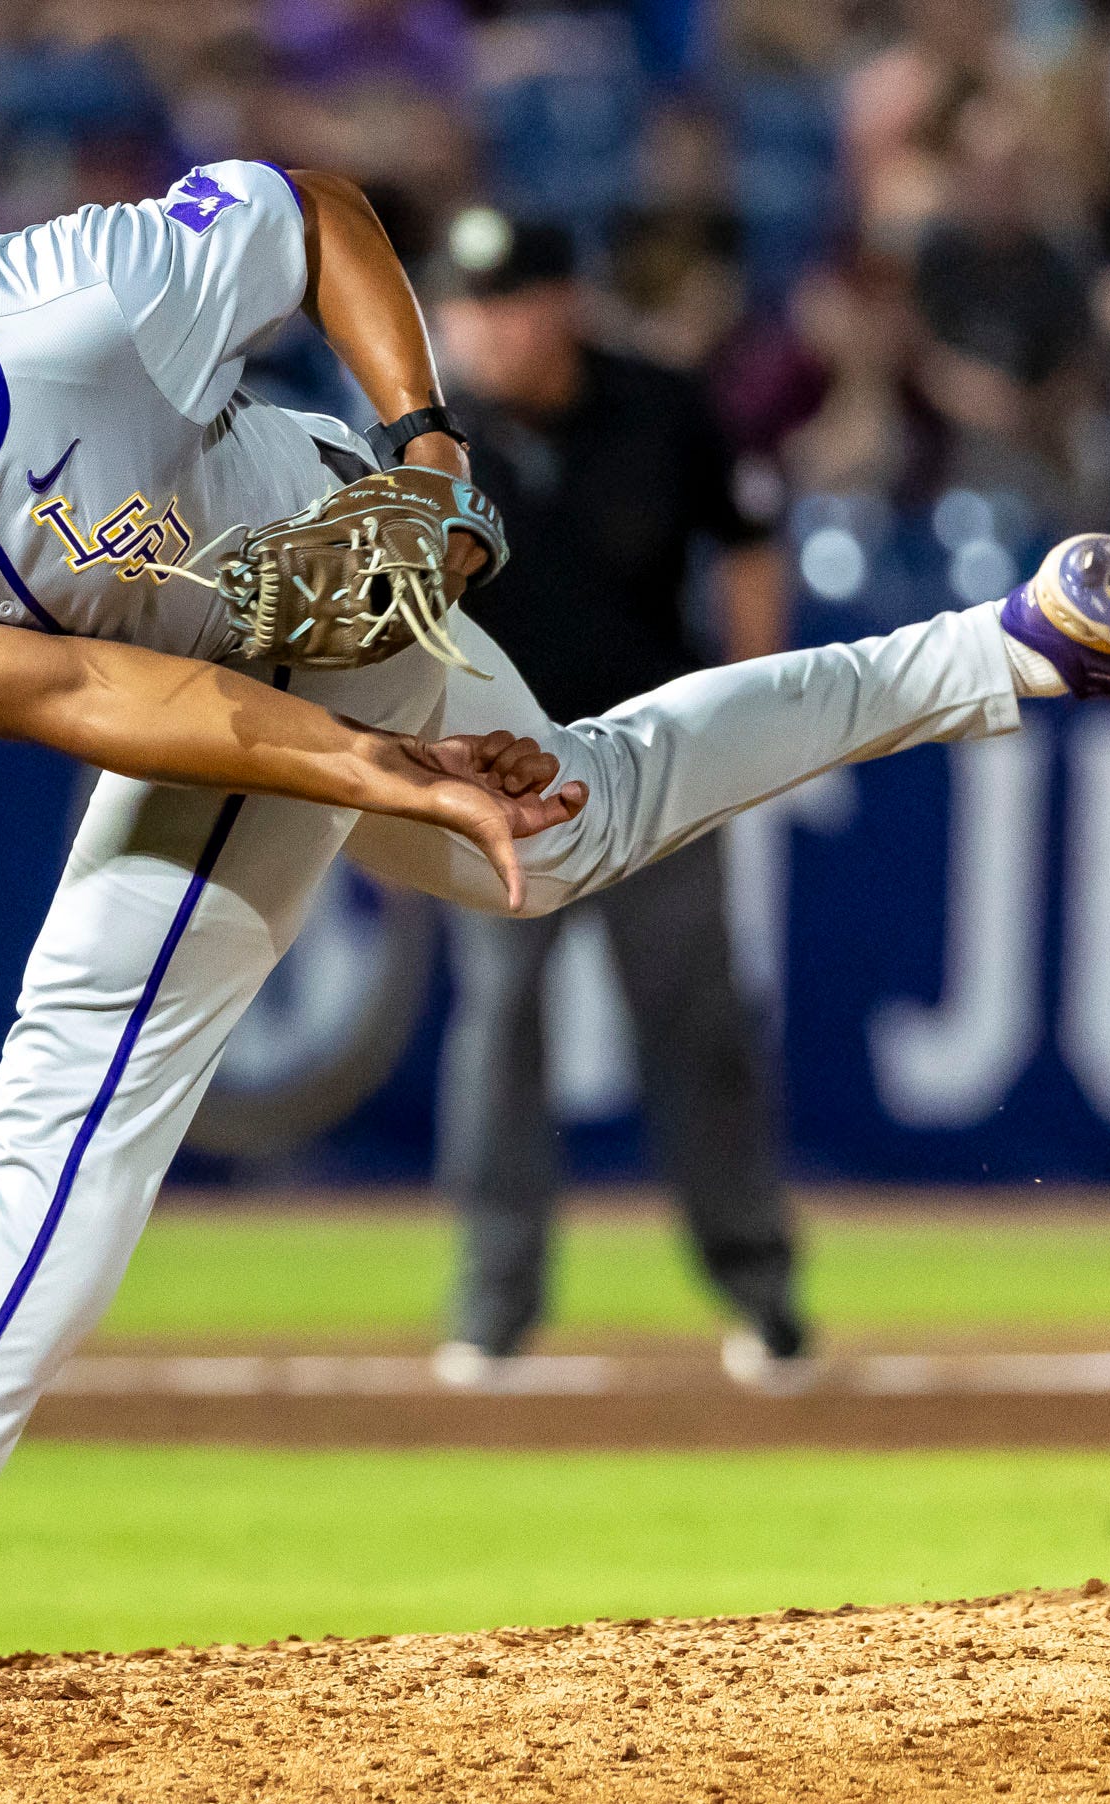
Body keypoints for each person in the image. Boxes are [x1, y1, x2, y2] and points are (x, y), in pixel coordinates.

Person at [0, 107, 1110, 1719]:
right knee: (565, 828)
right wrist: (372, 769)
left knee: (83, 1052)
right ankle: (1012, 645)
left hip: (330, 554)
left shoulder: (52, 301)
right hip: (224, 673)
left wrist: (420, 436)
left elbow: (312, 210)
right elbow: (84, 699)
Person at [425, 215, 807, 1393]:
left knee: (696, 1030)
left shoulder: (660, 404)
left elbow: (748, 547)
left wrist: (752, 729)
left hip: (652, 768)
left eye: (508, 299)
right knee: (498, 1034)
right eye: (470, 302)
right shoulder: (430, 437)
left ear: (563, 305)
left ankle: (759, 1293)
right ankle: (492, 1307)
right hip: (496, 781)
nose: (485, 325)